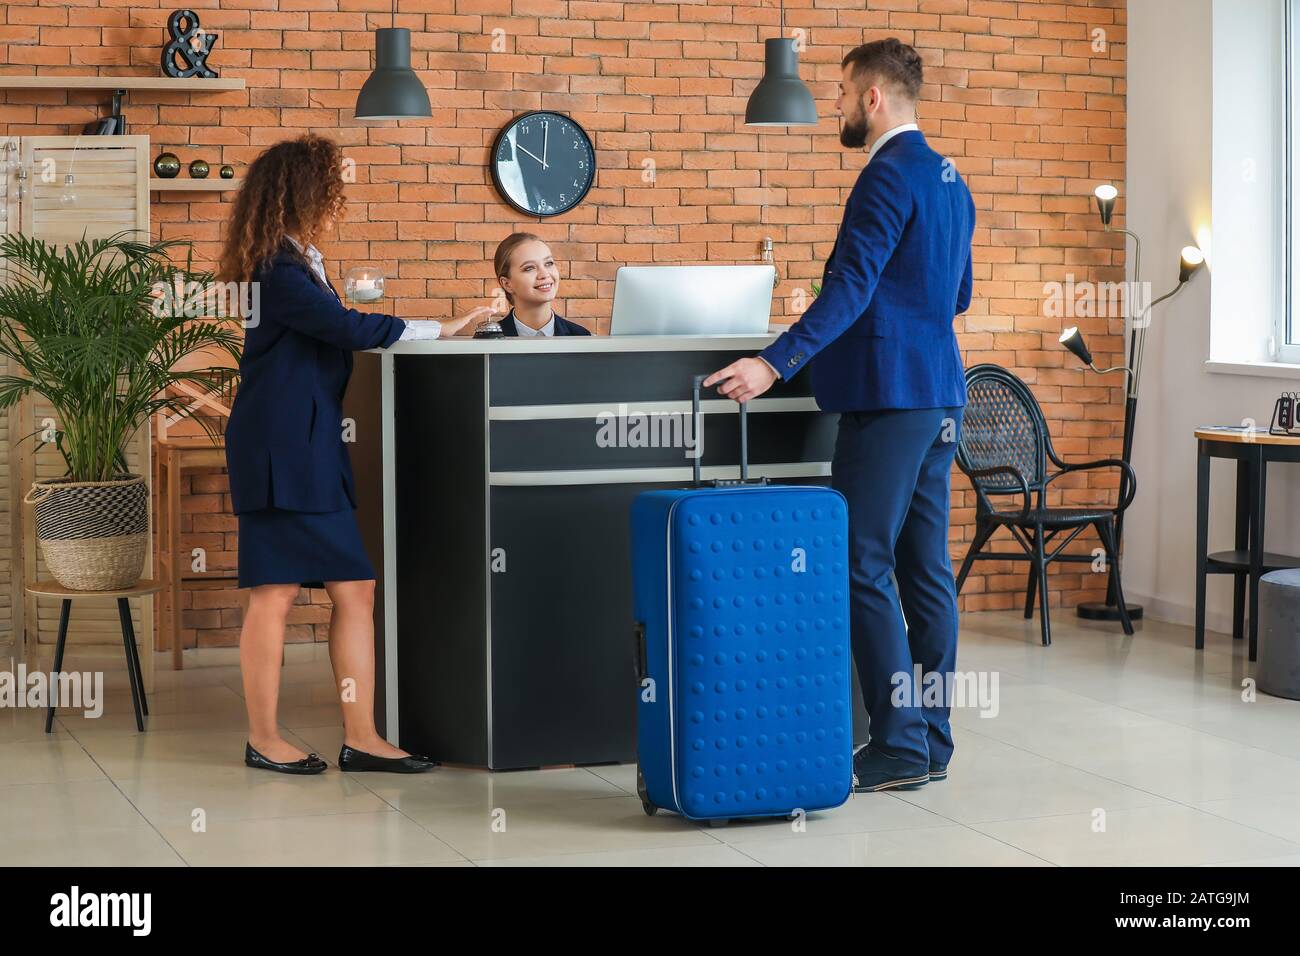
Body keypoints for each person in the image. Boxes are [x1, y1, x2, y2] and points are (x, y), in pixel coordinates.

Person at [704, 39, 975, 793]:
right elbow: (958, 297)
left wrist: (773, 361)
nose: (837, 106)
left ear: (874, 98)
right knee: (924, 572)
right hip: (938, 394)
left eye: (842, 93)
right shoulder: (952, 181)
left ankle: (894, 742)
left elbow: (851, 286)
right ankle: (932, 740)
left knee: (860, 561)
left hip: (888, 399)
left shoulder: (884, 175)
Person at [217, 133, 495, 775]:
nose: (336, 203)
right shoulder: (276, 268)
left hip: (308, 443)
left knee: (355, 587)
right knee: (276, 591)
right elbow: (343, 328)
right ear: (302, 193)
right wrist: (438, 326)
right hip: (282, 447)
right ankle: (264, 738)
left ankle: (362, 737)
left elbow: (335, 331)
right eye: (329, 192)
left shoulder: (297, 261)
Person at [492, 233, 591, 336]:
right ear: (507, 284)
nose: (545, 274)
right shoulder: (488, 343)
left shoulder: (581, 337)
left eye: (549, 263)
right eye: (529, 268)